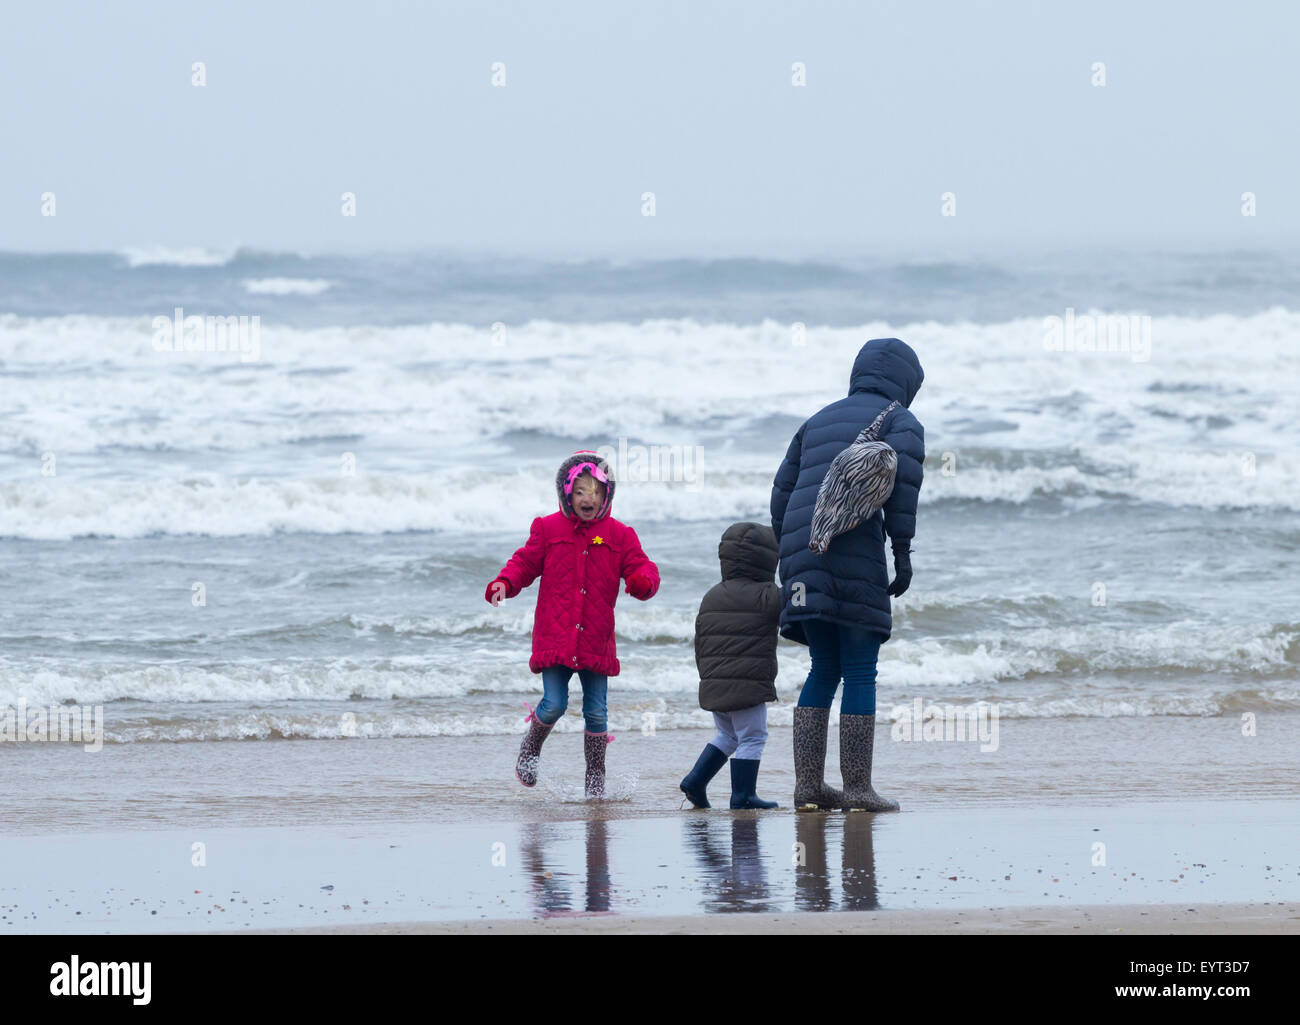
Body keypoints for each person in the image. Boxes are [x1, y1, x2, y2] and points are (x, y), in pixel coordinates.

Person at [770, 337, 925, 812]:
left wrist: (792, 553)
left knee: (823, 666)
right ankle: (858, 788)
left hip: (803, 551)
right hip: (853, 552)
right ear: (905, 380)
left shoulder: (815, 420)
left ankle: (808, 788)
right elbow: (902, 490)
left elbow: (781, 494)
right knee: (859, 667)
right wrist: (901, 552)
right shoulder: (901, 421)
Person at [486, 451, 659, 798]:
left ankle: (595, 784)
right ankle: (529, 750)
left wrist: (642, 581)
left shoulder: (620, 535)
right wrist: (505, 582)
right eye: (580, 491)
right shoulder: (548, 528)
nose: (588, 498)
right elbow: (524, 563)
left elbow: (642, 566)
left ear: (606, 495)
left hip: (596, 640)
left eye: (595, 491)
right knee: (555, 704)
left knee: (597, 713)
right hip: (555, 636)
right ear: (567, 493)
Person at [680, 522, 781, 810]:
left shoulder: (712, 594)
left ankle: (696, 780)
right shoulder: (768, 595)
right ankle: (743, 796)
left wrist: (707, 676)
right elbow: (798, 606)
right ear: (768, 559)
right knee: (753, 736)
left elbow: (700, 639)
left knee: (728, 735)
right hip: (746, 685)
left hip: (714, 681)